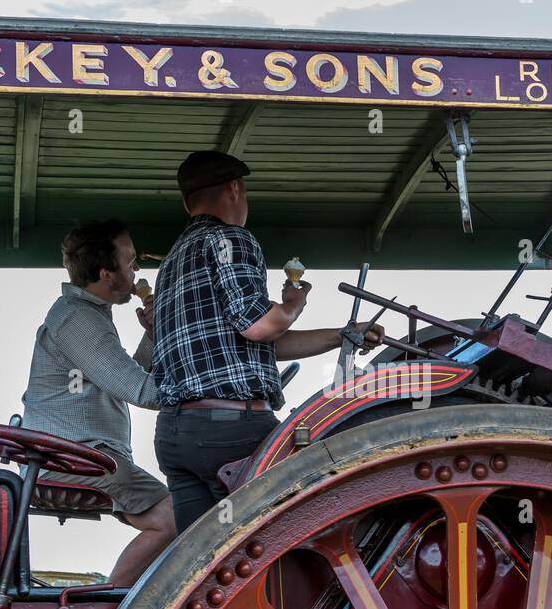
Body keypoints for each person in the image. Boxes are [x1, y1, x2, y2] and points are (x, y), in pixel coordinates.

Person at [153, 150, 383, 532]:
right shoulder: (231, 238)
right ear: (235, 189)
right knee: (296, 531)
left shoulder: (170, 264)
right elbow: (260, 327)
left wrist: (343, 335)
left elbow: (259, 346)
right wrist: (294, 302)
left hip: (178, 434)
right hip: (231, 430)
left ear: (185, 201)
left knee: (203, 556)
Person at [21, 219, 176, 586]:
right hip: (76, 459)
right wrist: (206, 389)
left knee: (174, 517)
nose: (137, 269)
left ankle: (119, 596)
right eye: (130, 260)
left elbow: (124, 378)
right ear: (107, 273)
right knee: (176, 517)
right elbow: (144, 391)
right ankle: (111, 605)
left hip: (83, 457)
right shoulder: (79, 320)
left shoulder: (85, 315)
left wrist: (153, 336)